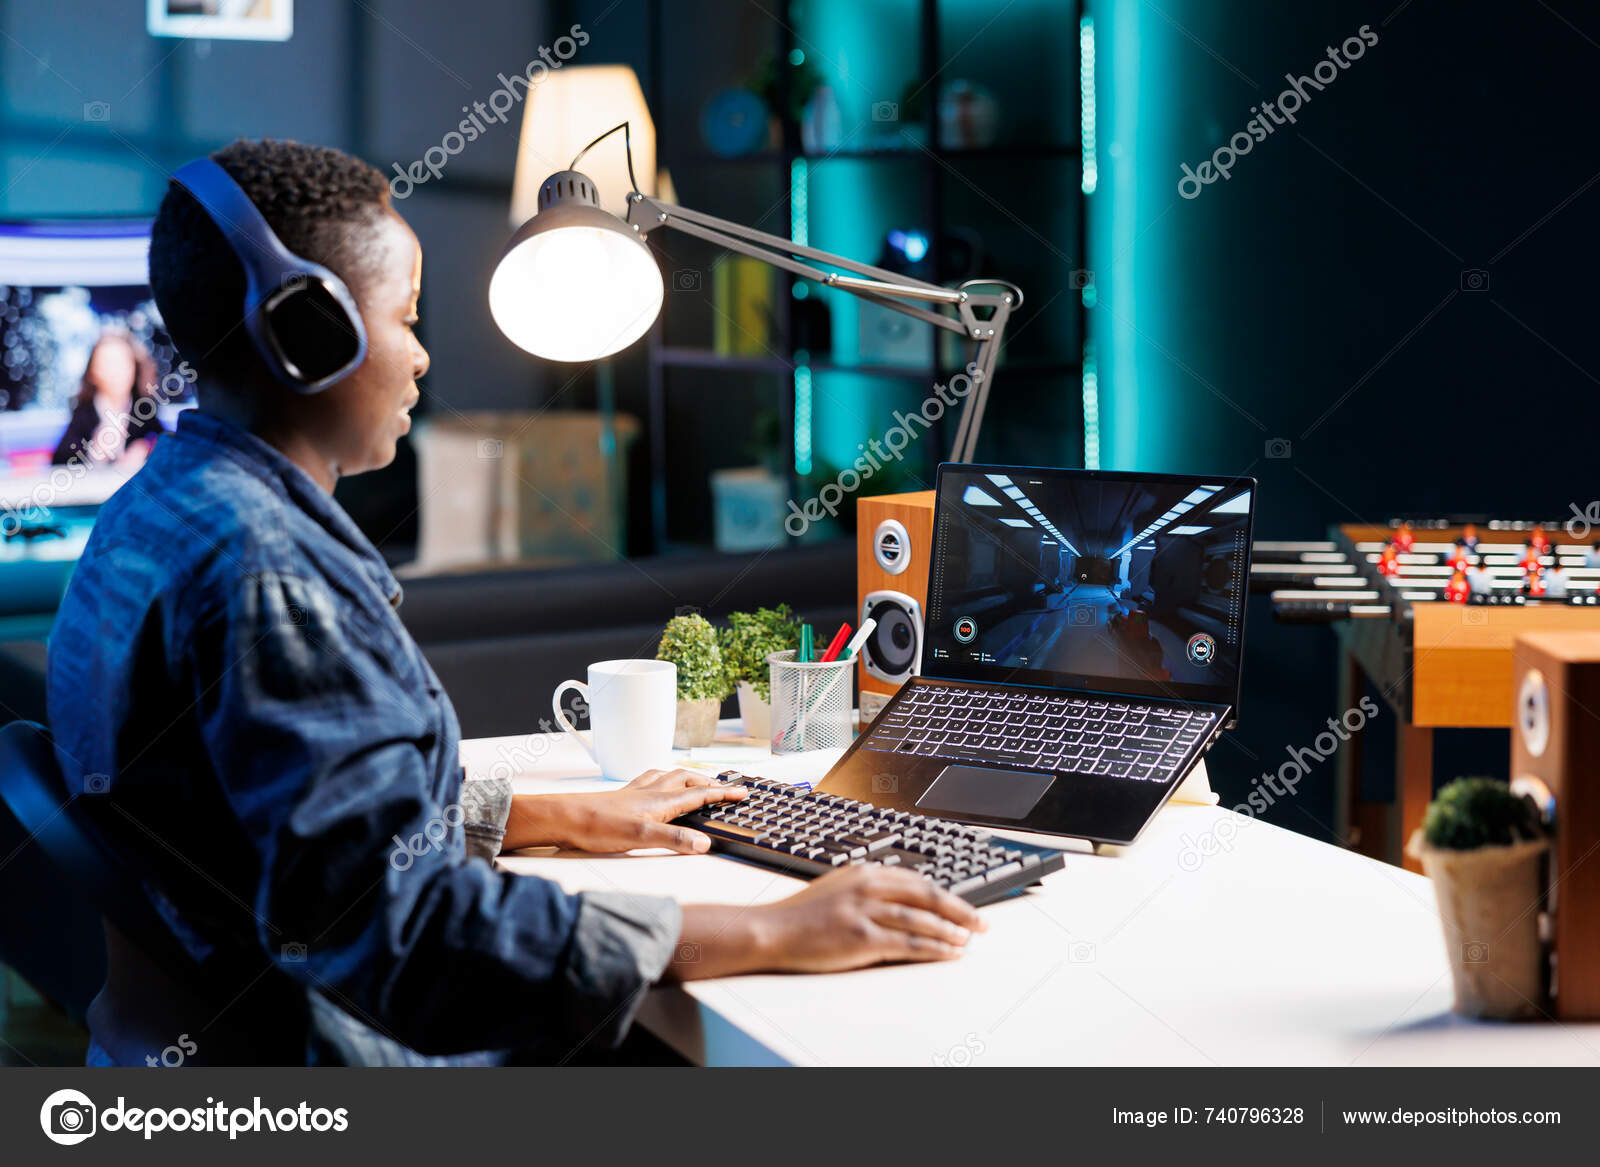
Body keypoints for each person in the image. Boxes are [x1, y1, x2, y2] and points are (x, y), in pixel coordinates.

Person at [45, 139, 982, 1067]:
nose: (420, 357)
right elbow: (412, 941)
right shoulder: (270, 577)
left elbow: (287, 813)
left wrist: (549, 814)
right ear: (309, 335)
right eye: (407, 317)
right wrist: (769, 928)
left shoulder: (158, 510)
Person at [49, 330, 163, 468]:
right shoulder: (84, 412)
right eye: (107, 364)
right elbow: (59, 461)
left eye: (122, 363)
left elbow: (166, 443)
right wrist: (92, 453)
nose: (116, 372)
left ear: (135, 367)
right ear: (92, 373)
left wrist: (147, 449)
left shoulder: (144, 407)